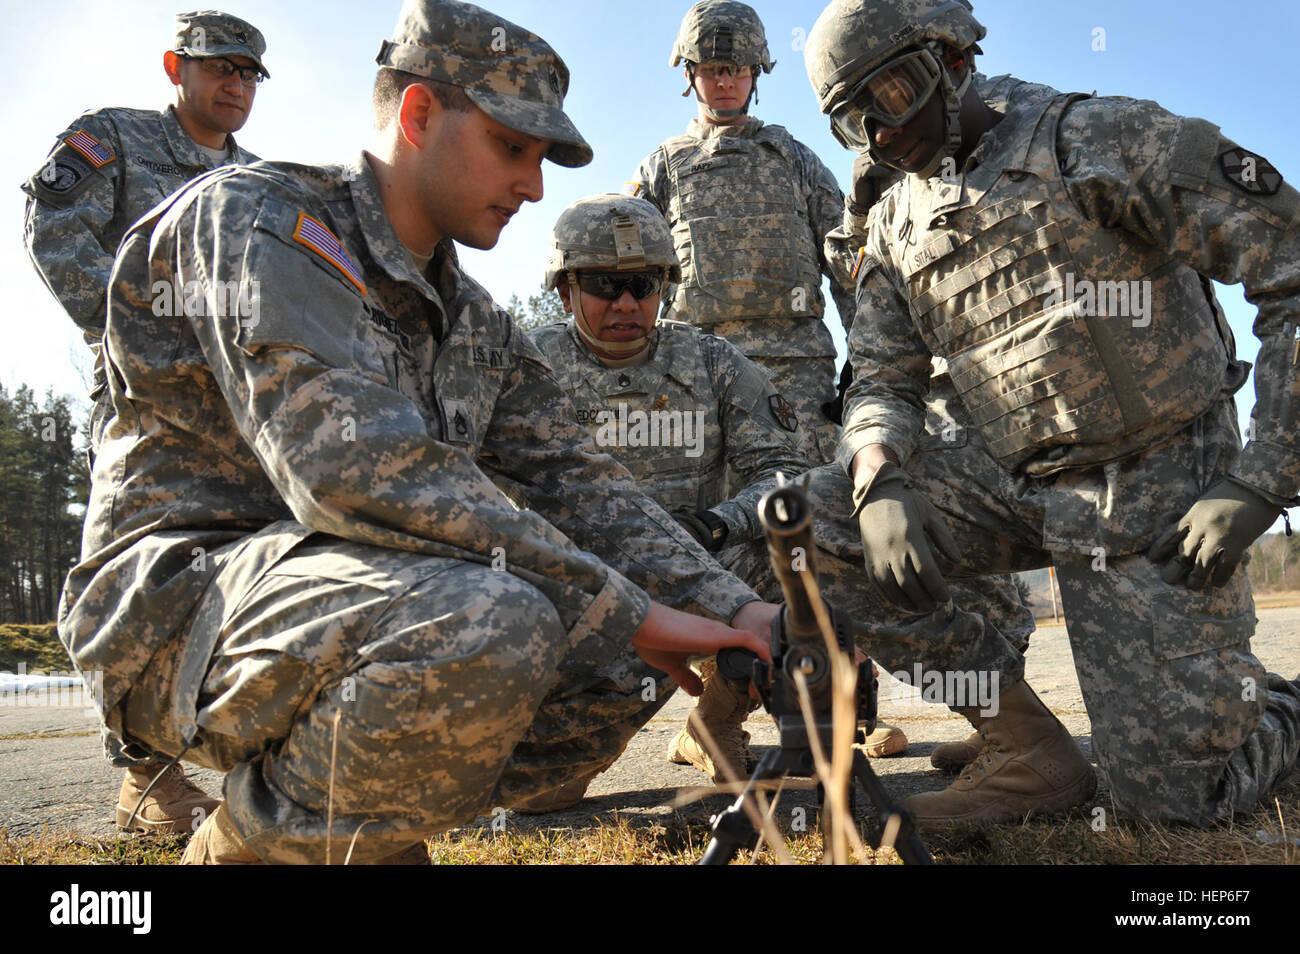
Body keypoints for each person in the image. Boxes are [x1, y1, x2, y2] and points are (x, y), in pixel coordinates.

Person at [58, 0, 776, 865]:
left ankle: (364, 823)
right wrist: (627, 608)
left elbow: (581, 482)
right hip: (177, 606)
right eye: (513, 147)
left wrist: (741, 612)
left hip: (342, 605)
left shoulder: (469, 317)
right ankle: (250, 849)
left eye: (543, 157)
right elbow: (349, 470)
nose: (534, 185)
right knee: (501, 616)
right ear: (419, 111)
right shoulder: (260, 222)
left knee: (618, 655)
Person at [804, 0, 1300, 825]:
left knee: (1174, 802)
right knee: (810, 525)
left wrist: (1264, 479)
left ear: (953, 59)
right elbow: (882, 379)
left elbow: (1291, 260)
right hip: (1016, 479)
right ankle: (1028, 750)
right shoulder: (892, 219)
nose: (878, 135)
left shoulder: (1099, 139)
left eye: (889, 96)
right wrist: (878, 475)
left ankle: (1279, 711)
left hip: (1160, 488)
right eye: (850, 121)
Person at [22, 9, 271, 836]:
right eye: (219, 68)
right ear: (178, 67)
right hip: (146, 403)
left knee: (248, 573)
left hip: (244, 413)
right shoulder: (115, 140)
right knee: (133, 574)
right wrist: (145, 335)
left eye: (248, 74)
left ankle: (258, 767)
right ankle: (147, 782)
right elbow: (55, 230)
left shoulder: (263, 182)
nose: (234, 85)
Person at [625, 0, 854, 467]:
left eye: (738, 69)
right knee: (702, 517)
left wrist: (866, 361)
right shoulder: (661, 169)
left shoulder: (796, 159)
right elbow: (626, 273)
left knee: (810, 511)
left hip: (799, 375)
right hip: (694, 370)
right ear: (689, 74)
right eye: (712, 69)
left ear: (757, 72)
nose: (726, 81)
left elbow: (847, 262)